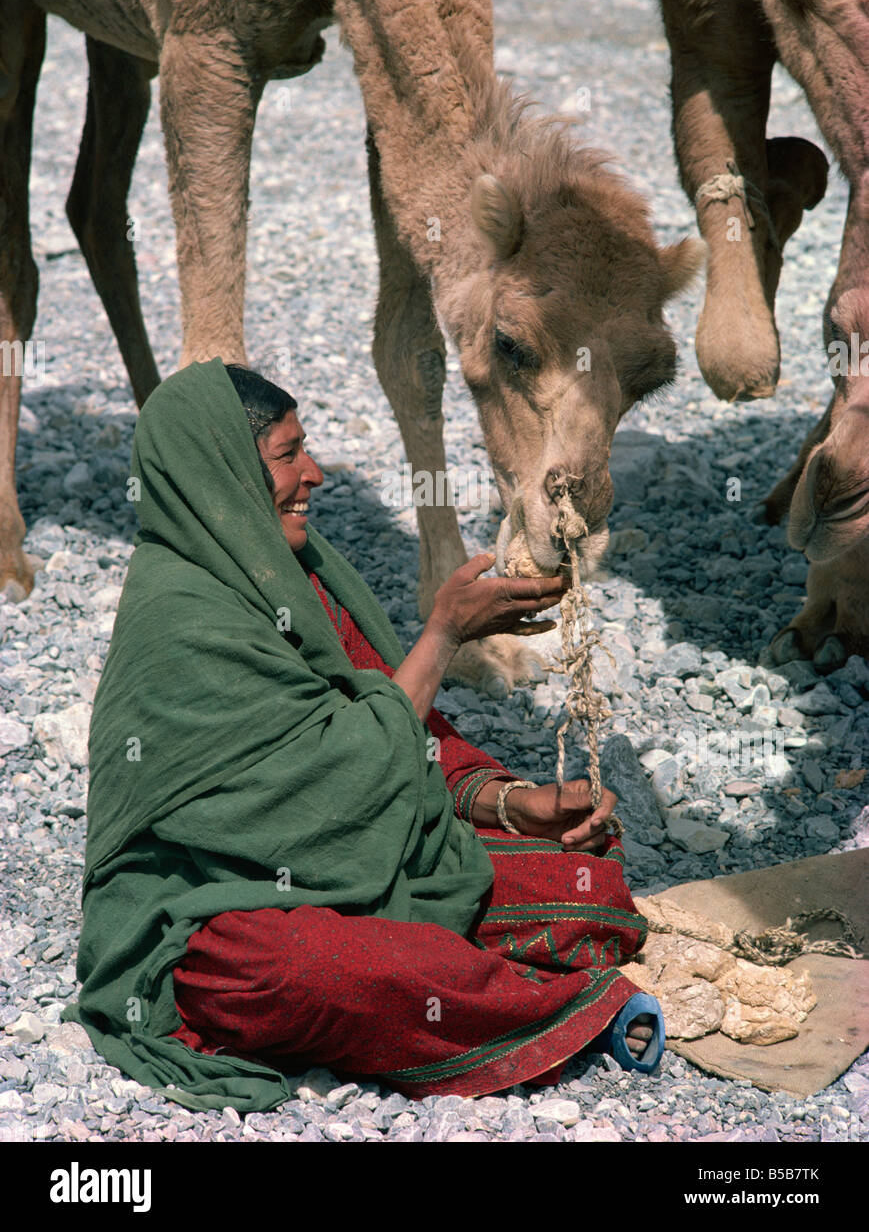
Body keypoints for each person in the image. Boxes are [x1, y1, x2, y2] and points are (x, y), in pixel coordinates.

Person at [63, 358, 663, 1115]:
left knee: (584, 880)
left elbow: (395, 728)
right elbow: (313, 783)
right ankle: (564, 1013)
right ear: (220, 471)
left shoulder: (297, 575)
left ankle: (463, 961)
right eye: (287, 456)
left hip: (354, 845)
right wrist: (443, 635)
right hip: (213, 903)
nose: (313, 474)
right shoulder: (177, 618)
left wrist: (512, 804)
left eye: (305, 448)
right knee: (304, 972)